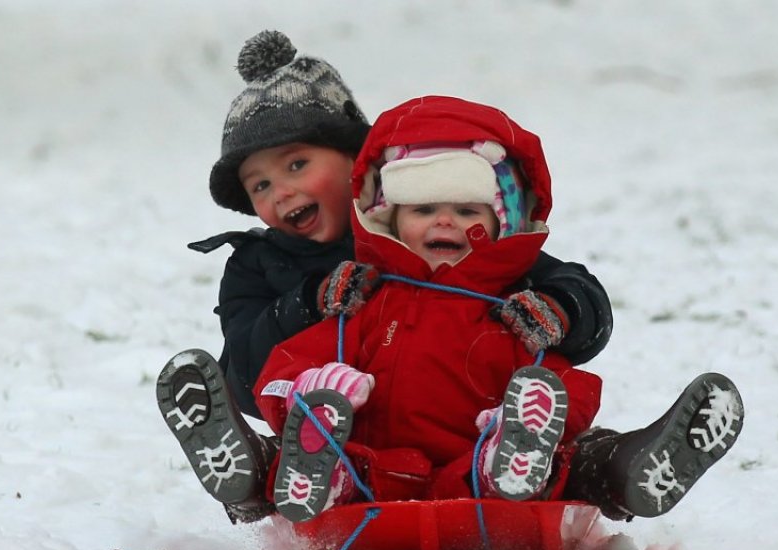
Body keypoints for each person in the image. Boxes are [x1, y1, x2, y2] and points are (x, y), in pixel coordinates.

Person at [155, 31, 613, 523]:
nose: (281, 191)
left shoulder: (415, 228)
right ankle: (248, 473)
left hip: (469, 425)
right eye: (260, 184)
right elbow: (246, 375)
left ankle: (621, 469)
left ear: (357, 161)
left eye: (297, 164)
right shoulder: (254, 265)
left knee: (572, 447)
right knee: (299, 445)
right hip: (345, 436)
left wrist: (561, 308)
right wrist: (307, 303)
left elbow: (544, 274)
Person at [253, 95, 745, 524]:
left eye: (467, 211)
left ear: (498, 222)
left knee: (563, 461)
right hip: (369, 473)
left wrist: (531, 410)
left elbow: (567, 384)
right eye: (424, 209)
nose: (445, 220)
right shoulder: (367, 302)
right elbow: (282, 368)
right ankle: (315, 468)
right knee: (323, 450)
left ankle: (602, 463)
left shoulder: (509, 310)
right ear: (391, 220)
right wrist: (303, 391)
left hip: (478, 473)